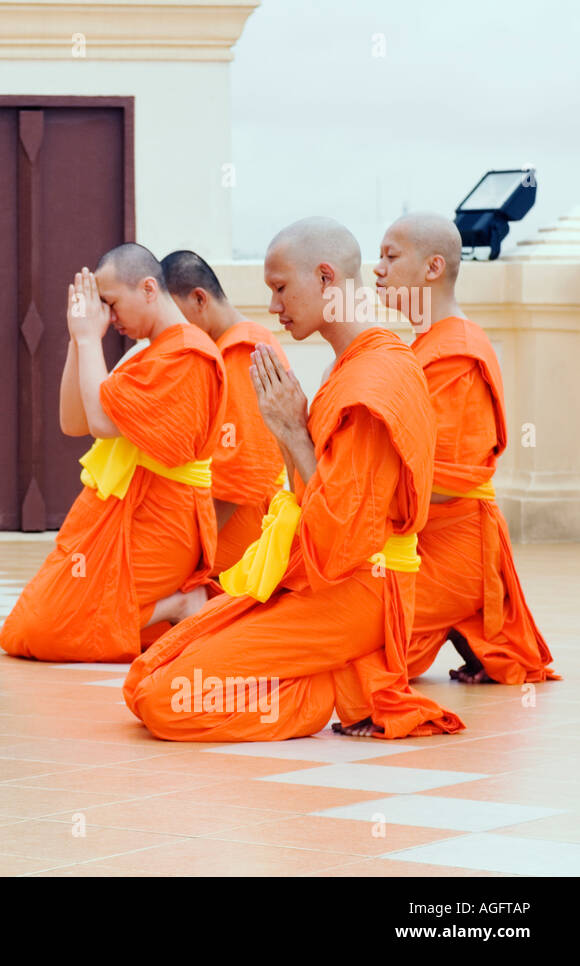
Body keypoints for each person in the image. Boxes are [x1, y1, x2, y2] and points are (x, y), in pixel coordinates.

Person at [123, 217, 463, 740]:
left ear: (326, 279)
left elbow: (344, 538)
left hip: (357, 590)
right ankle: (341, 676)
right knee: (151, 668)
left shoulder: (377, 377)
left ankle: (327, 691)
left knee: (167, 701)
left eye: (281, 288)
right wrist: (286, 432)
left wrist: (294, 434)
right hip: (320, 576)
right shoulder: (347, 367)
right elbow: (311, 498)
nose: (274, 307)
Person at [0, 243, 226, 662]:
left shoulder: (187, 353)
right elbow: (75, 421)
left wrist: (89, 341)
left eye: (112, 303)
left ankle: (178, 605)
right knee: (25, 626)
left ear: (147, 289)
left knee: (48, 628)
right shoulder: (145, 355)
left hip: (160, 519)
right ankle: (158, 615)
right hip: (121, 510)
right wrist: (77, 338)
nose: (108, 316)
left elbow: (102, 421)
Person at [375, 212, 557, 684]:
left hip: (450, 544)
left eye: (391, 256)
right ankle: (464, 625)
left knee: (363, 642)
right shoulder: (425, 347)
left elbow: (443, 480)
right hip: (413, 538)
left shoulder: (457, 352)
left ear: (433, 268)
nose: (378, 269)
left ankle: (466, 609)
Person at [164, 249, 291, 573]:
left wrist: (194, 551)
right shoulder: (225, 348)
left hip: (232, 536)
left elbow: (239, 477)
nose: (173, 332)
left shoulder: (241, 351)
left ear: (199, 299)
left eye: (176, 318)